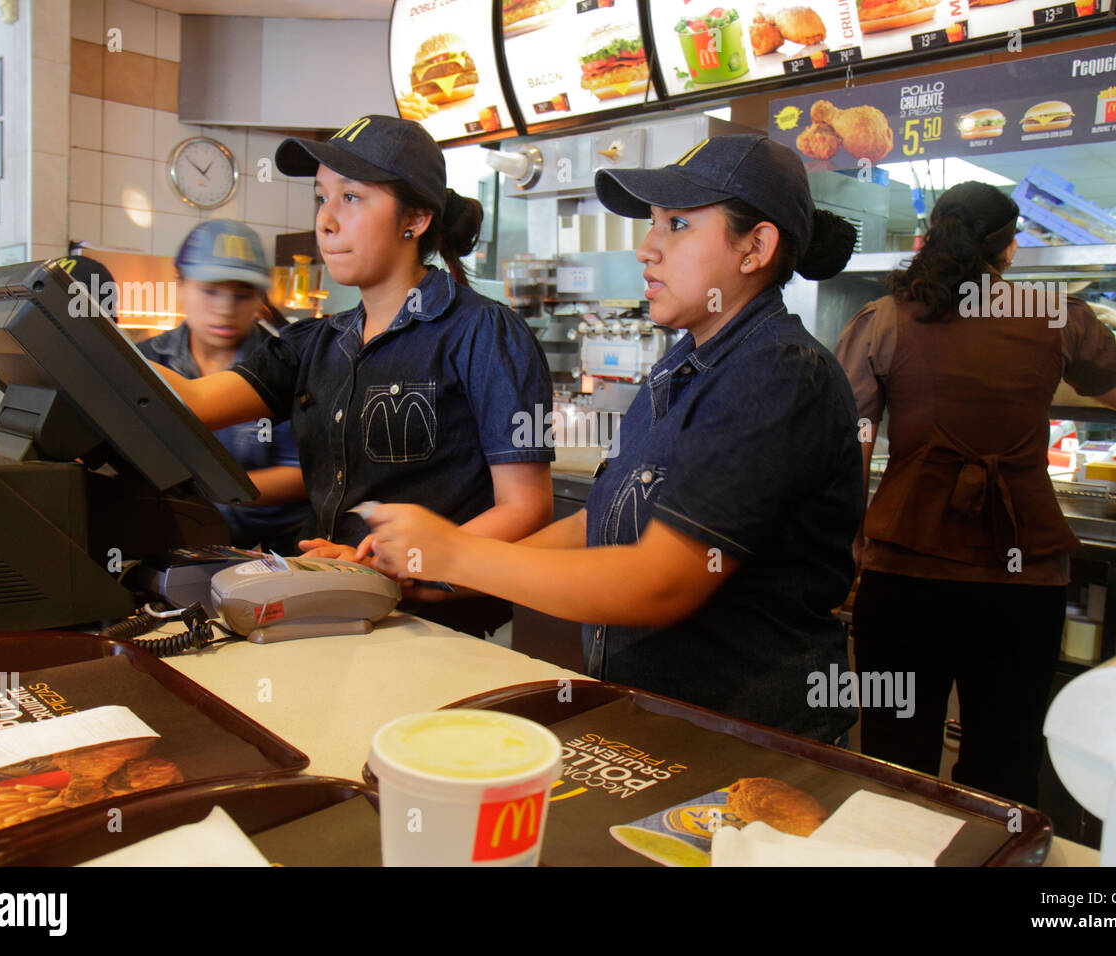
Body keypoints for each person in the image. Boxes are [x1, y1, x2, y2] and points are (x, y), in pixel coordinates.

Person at [0, 116, 555, 639]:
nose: (327, 220)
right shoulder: (316, 342)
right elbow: (187, 402)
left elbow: (525, 507)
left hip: (436, 628)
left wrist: (402, 566)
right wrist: (34, 307)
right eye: (322, 197)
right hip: (326, 611)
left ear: (415, 219)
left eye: (353, 198)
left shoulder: (482, 333)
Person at [347, 134, 863, 741]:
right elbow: (605, 521)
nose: (647, 248)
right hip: (663, 718)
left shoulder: (776, 371)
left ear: (755, 247)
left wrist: (456, 553)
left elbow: (661, 581)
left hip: (748, 736)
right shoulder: (686, 363)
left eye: (676, 225)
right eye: (652, 224)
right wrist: (433, 570)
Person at [833, 181, 1116, 805]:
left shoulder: (881, 320)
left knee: (892, 757)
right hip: (1022, 578)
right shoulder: (1055, 314)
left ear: (927, 240)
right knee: (1003, 762)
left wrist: (852, 549)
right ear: (1009, 251)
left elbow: (847, 450)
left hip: (904, 572)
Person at [136, 219, 311, 553]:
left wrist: (194, 494)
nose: (225, 309)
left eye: (242, 295)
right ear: (181, 285)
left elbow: (301, 475)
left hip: (277, 549)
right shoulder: (148, 362)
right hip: (178, 543)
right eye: (210, 291)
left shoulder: (285, 366)